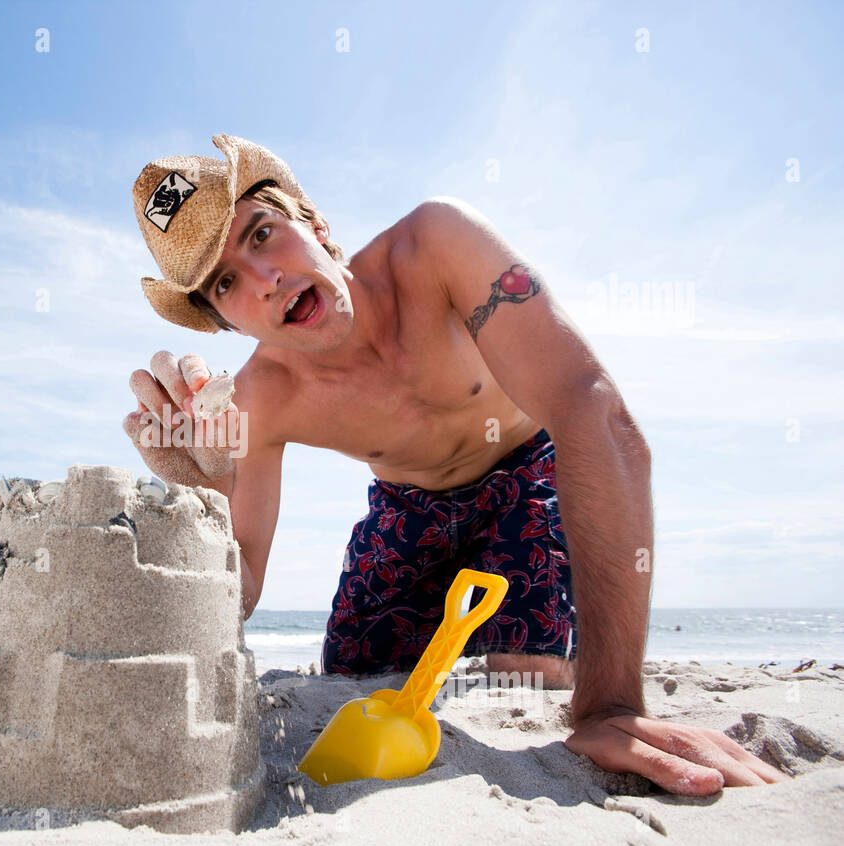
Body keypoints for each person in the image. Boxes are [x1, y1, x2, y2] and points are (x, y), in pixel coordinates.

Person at [123, 133, 787, 795]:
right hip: (408, 509)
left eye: (262, 234)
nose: (265, 279)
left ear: (315, 224)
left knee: (530, 667)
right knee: (352, 676)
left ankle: (565, 667)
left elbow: (592, 410)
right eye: (227, 282)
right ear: (225, 323)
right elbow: (241, 589)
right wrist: (201, 497)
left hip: (525, 474)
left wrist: (612, 706)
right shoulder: (261, 399)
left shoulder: (436, 246)